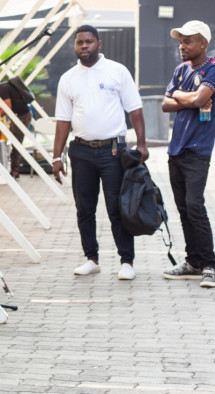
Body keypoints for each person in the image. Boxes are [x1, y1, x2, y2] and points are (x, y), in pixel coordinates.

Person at [51, 25, 148, 281]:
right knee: (84, 208)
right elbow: (63, 120)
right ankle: (91, 259)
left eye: (89, 42)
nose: (84, 46)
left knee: (118, 207)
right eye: (80, 42)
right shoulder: (68, 78)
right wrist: (56, 156)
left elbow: (135, 109)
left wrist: (141, 143)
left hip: (113, 151)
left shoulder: (117, 71)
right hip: (81, 151)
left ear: (99, 44)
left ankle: (127, 261)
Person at [160, 20, 215, 289]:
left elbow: (200, 101)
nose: (182, 46)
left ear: (202, 43)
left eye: (188, 41)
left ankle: (209, 266)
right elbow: (165, 105)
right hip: (176, 150)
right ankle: (192, 262)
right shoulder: (180, 70)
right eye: (180, 41)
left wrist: (182, 96)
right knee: (184, 209)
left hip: (198, 151)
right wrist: (182, 94)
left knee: (195, 207)